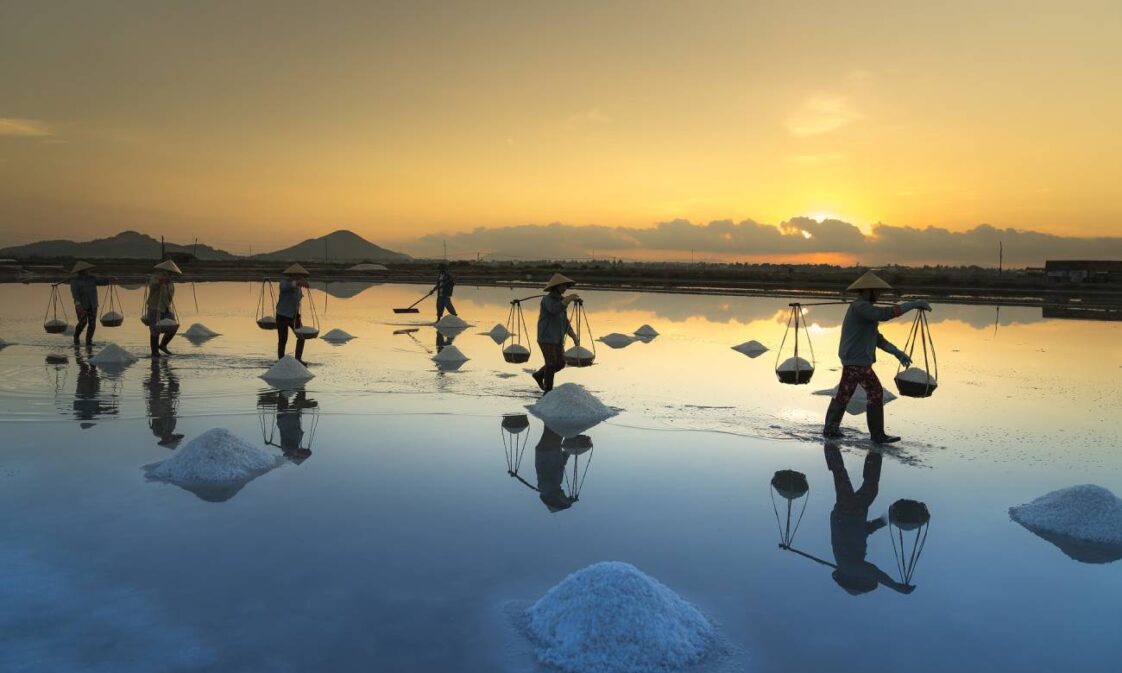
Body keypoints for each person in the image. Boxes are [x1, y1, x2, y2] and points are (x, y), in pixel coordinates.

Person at [823, 271, 931, 443]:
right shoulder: (861, 307)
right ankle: (875, 435)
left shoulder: (865, 310)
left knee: (847, 393)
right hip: (856, 361)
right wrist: (911, 305)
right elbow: (884, 314)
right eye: (877, 292)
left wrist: (897, 352)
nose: (879, 295)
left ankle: (831, 429)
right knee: (873, 393)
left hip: (857, 360)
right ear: (867, 291)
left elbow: (877, 338)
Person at [824, 442, 913, 595]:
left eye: (864, 580)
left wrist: (895, 586)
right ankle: (874, 452)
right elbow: (866, 530)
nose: (867, 578)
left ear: (856, 580)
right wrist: (888, 518)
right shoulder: (853, 556)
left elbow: (874, 573)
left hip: (846, 512)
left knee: (841, 474)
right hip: (855, 513)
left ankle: (830, 445)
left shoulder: (848, 567)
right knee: (870, 486)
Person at [532, 273, 580, 393]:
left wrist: (573, 335)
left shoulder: (562, 301)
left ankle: (539, 375)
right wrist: (568, 299)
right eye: (563, 286)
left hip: (557, 338)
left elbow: (564, 321)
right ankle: (548, 391)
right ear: (556, 286)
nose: (565, 288)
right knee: (551, 364)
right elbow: (554, 310)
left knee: (560, 363)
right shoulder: (547, 300)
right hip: (546, 338)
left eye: (566, 286)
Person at [68, 261, 111, 346]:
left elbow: (102, 282)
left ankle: (89, 341)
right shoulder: (75, 281)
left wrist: (109, 279)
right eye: (87, 270)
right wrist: (78, 305)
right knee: (83, 322)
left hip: (93, 304)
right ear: (82, 271)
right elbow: (75, 294)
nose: (88, 271)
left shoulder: (92, 278)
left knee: (92, 324)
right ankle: (76, 336)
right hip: (81, 305)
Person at [276, 263, 311, 364]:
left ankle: (298, 359)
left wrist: (302, 285)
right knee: (283, 339)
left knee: (301, 336)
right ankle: (281, 361)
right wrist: (296, 283)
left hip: (294, 315)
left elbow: (297, 298)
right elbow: (285, 287)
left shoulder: (298, 286)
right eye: (297, 275)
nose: (299, 276)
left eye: (300, 275)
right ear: (292, 275)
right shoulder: (284, 283)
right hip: (282, 315)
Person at [147, 260, 181, 357]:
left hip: (166, 308)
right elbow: (153, 286)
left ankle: (162, 345)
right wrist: (160, 282)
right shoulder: (155, 277)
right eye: (170, 272)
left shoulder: (170, 282)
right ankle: (154, 352)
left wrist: (166, 284)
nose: (171, 274)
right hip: (154, 307)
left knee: (174, 327)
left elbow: (170, 295)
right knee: (154, 330)